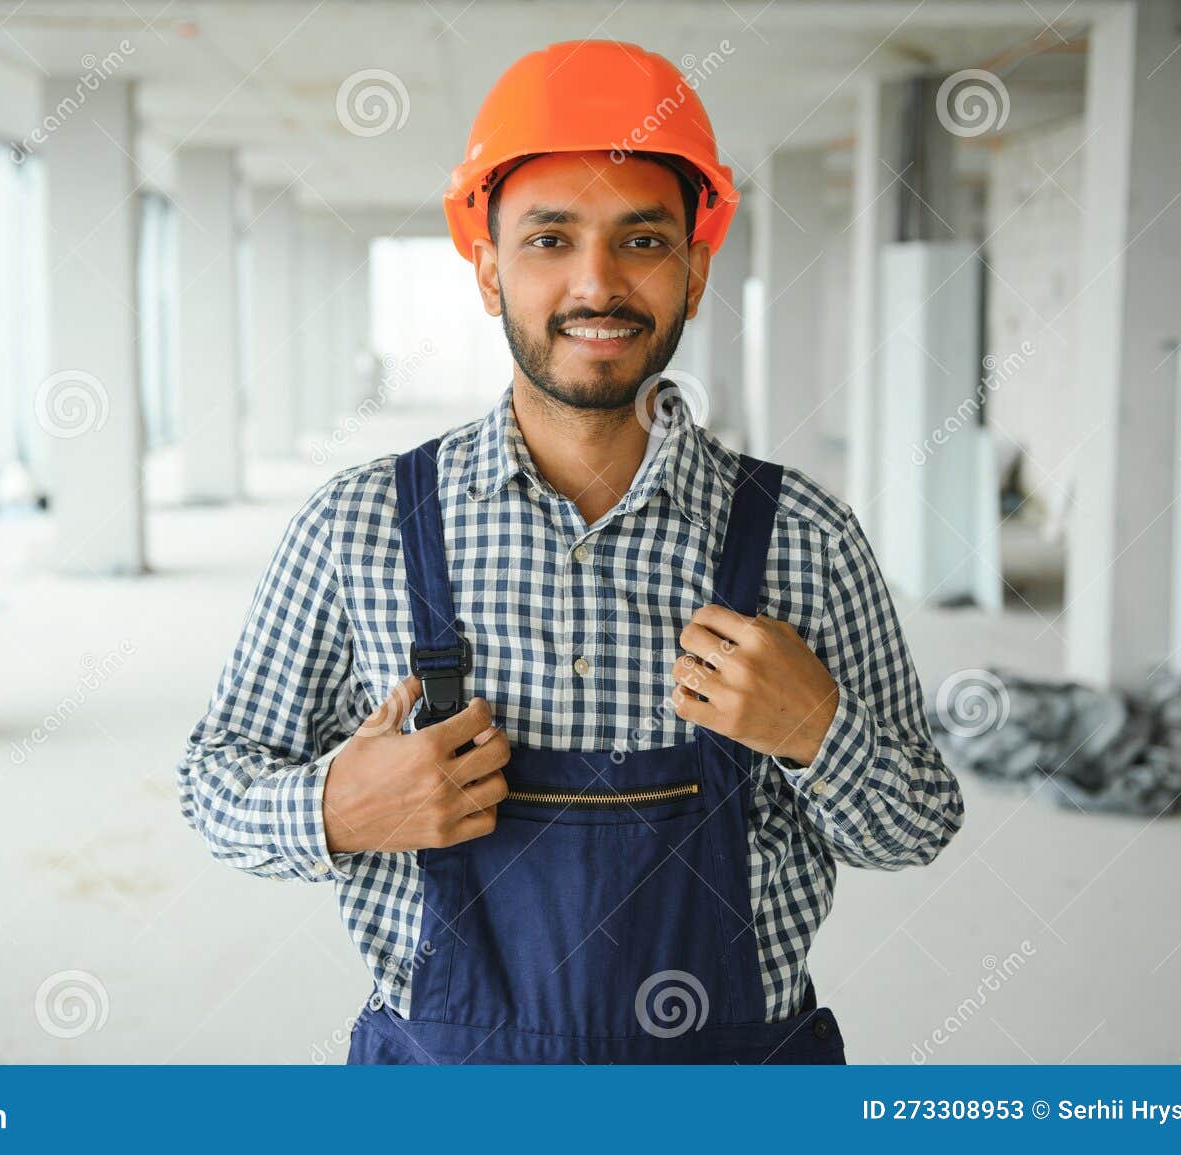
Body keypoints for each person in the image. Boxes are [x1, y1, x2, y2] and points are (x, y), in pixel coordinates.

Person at [176, 39, 965, 1065]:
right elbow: (214, 781)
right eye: (550, 239)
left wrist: (816, 729)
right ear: (487, 268)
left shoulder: (803, 535)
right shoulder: (361, 526)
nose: (597, 285)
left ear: (695, 268)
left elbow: (915, 826)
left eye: (641, 241)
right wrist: (333, 806)